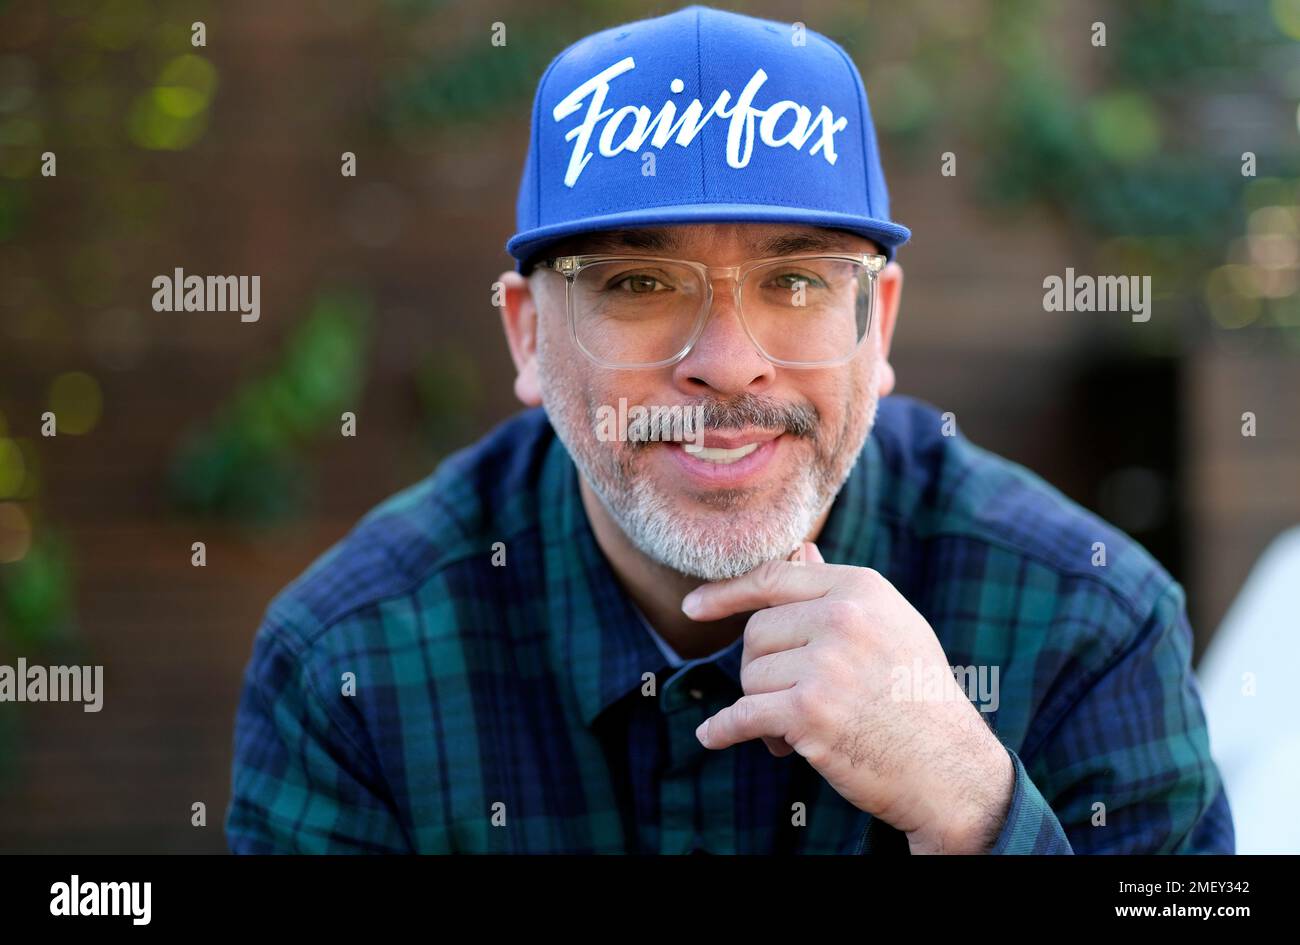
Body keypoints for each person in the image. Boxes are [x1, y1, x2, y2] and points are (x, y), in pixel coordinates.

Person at [226, 5, 1232, 854]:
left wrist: (977, 811)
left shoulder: (1086, 621)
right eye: (636, 284)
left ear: (875, 324)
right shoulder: (349, 665)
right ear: (529, 339)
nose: (727, 358)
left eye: (792, 280)